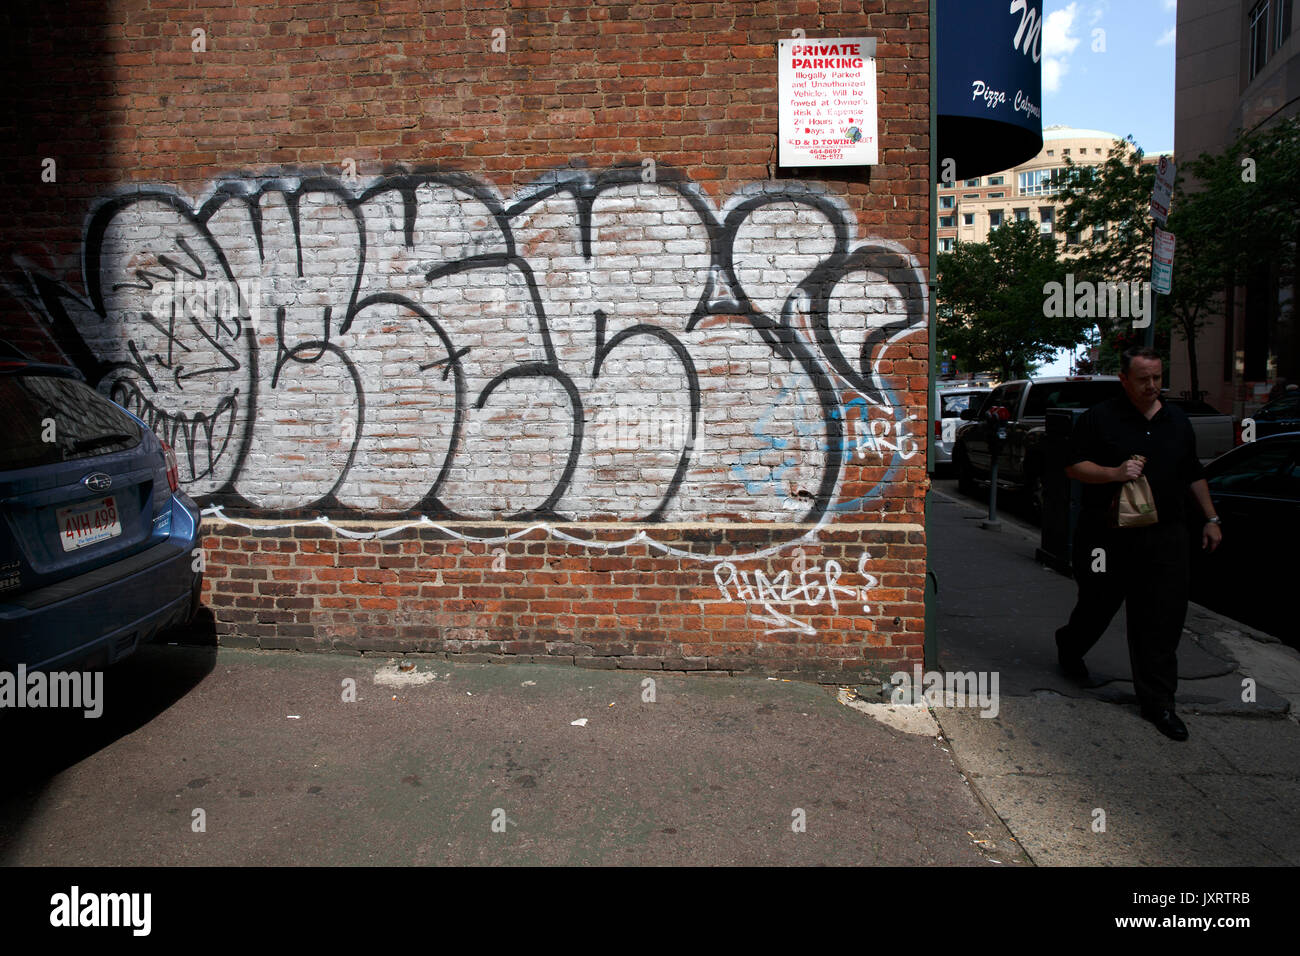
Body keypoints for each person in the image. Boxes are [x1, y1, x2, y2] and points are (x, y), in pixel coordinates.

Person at [1055, 347, 1223, 741]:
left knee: (1160, 621)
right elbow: (1072, 466)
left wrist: (1211, 518)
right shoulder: (1101, 418)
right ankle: (1070, 644)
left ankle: (1159, 704)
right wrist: (1115, 472)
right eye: (1144, 379)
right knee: (1097, 606)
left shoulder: (1177, 421)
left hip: (1165, 536)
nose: (1152, 386)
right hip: (1108, 536)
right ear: (1124, 380)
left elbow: (1192, 472)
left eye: (1158, 378)